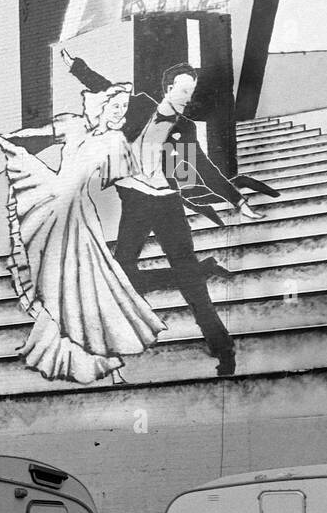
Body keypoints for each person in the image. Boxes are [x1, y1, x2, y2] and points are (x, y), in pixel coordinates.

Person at [61, 49, 266, 378]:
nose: (186, 96)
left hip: (168, 202)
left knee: (190, 277)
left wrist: (237, 200)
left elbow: (200, 169)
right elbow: (105, 87)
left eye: (190, 91)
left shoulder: (185, 128)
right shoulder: (140, 106)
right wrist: (77, 67)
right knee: (121, 271)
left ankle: (221, 345)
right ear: (167, 88)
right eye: (182, 89)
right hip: (138, 200)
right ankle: (107, 344)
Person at [0, 83, 167, 386]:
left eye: (124, 108)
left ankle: (107, 364)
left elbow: (133, 179)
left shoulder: (115, 141)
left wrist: (164, 191)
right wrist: (10, 139)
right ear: (101, 105)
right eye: (116, 106)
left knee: (90, 285)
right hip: (51, 204)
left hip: (79, 217)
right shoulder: (73, 125)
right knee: (61, 287)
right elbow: (41, 134)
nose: (120, 113)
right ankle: (83, 358)